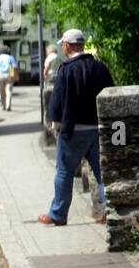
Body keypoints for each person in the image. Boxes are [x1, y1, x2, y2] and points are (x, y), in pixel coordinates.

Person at [38, 29, 115, 226]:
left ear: (66, 46)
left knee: (64, 173)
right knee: (102, 174)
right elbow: (111, 96)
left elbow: (57, 102)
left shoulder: (66, 70)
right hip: (98, 130)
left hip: (73, 131)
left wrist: (56, 126)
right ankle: (111, 212)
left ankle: (58, 215)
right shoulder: (100, 68)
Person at [0, 46, 17, 111]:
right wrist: (16, 75)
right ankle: (8, 105)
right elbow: (15, 67)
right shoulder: (10, 57)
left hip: (0, 75)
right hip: (9, 75)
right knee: (9, 91)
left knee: (2, 91)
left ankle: (3, 105)